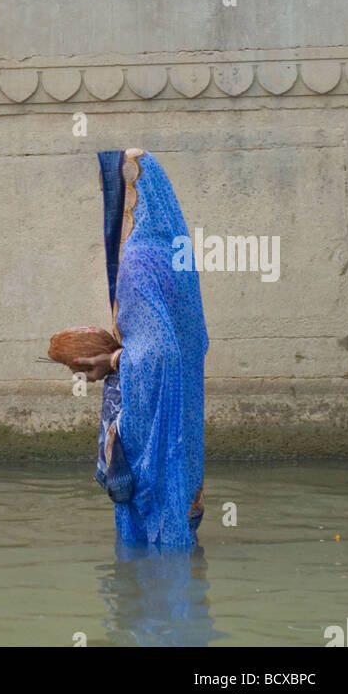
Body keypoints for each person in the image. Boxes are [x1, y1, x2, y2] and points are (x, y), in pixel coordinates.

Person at [73, 149, 208, 549]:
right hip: (184, 418)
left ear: (126, 196)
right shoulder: (177, 256)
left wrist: (109, 361)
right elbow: (194, 339)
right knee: (181, 542)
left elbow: (155, 353)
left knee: (146, 551)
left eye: (108, 193)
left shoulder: (136, 261)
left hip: (149, 418)